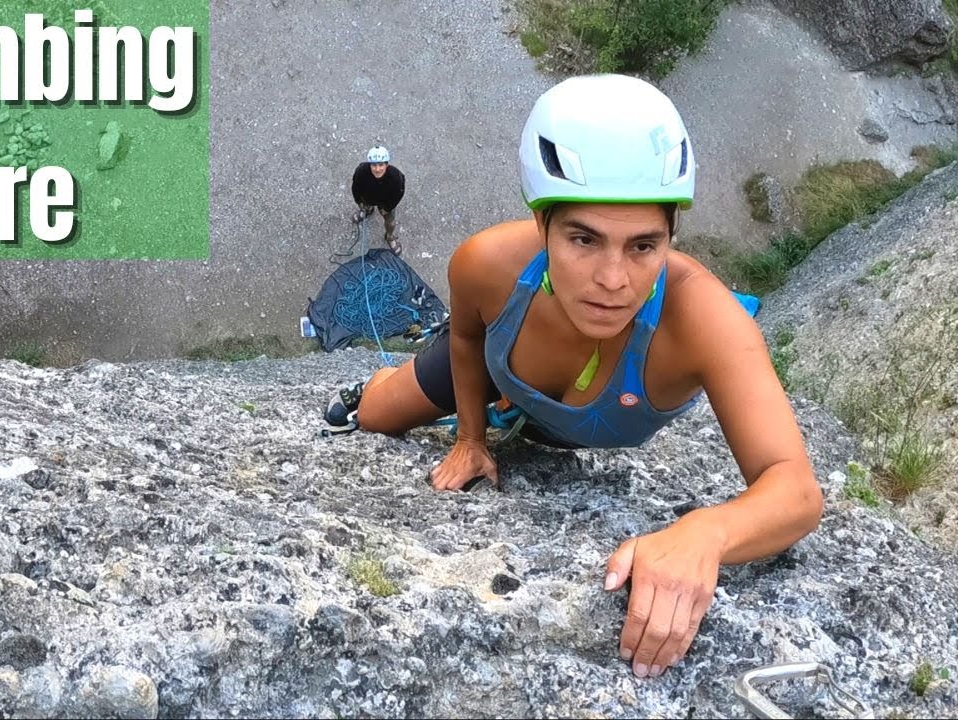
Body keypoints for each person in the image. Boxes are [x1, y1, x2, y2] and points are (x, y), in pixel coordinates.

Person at [323, 74, 823, 679]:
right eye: (584, 239)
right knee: (376, 413)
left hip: (561, 424)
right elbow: (464, 335)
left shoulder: (704, 319)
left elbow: (794, 488)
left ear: (671, 238)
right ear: (543, 227)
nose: (613, 279)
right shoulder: (486, 264)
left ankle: (516, 416)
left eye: (643, 246)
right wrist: (469, 439)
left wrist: (705, 535)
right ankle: (368, 391)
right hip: (496, 370)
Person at [351, 145, 406, 255]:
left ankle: (390, 237)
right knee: (365, 207)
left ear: (387, 165)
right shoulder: (361, 171)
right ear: (369, 165)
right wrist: (359, 202)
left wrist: (387, 208)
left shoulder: (396, 177)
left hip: (385, 202)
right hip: (367, 199)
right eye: (374, 165)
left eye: (381, 165)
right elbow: (355, 187)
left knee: (390, 222)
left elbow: (399, 193)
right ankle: (366, 211)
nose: (377, 169)